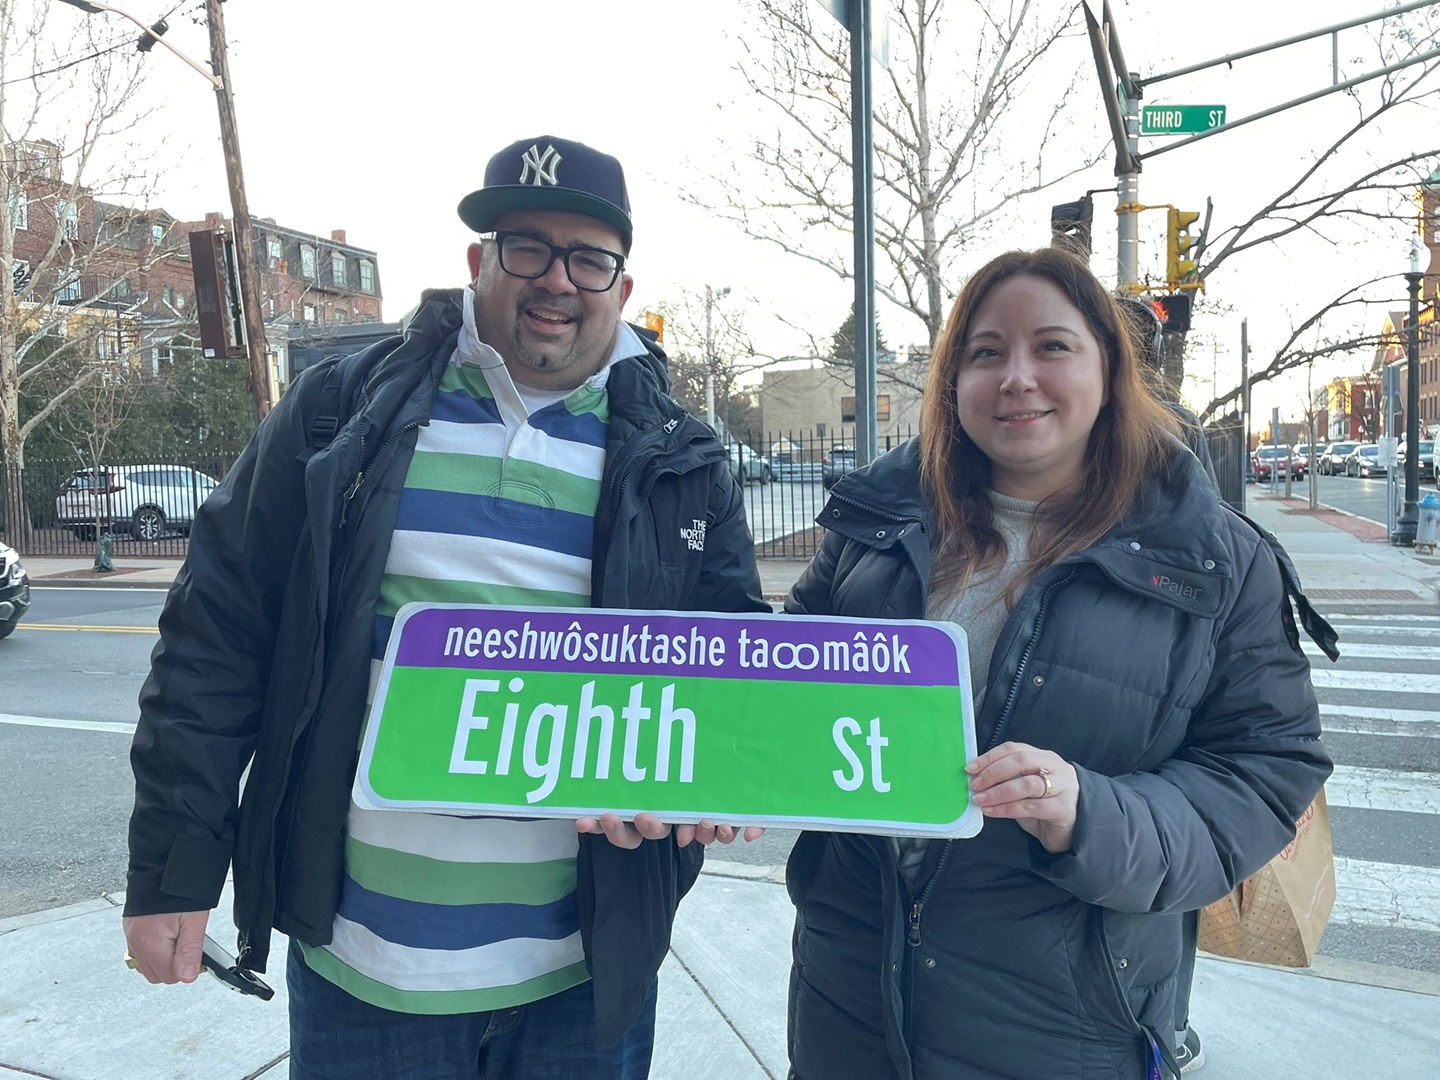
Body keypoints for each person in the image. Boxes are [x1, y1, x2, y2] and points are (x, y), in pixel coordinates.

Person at [123, 135, 769, 1079]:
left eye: (588, 257)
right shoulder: (338, 414)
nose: (557, 279)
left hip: (585, 978)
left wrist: (706, 786)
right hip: (366, 972)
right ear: (478, 262)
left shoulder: (684, 460)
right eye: (526, 247)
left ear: (622, 288)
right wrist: (171, 875)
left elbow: (728, 669)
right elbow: (214, 642)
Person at [782, 247, 1333, 1079]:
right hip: (850, 1001)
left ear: (1108, 371)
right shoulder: (870, 528)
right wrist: (713, 778)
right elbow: (785, 702)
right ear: (951, 381)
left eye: (1051, 346)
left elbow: (1266, 772)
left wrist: (1090, 812)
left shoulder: (1216, 559)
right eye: (985, 352)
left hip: (1068, 1022)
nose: (1016, 377)